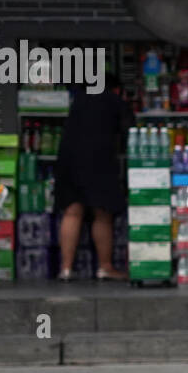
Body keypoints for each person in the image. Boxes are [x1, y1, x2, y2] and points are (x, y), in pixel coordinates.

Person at [54, 73, 134, 281]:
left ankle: (66, 268)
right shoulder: (114, 101)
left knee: (72, 211)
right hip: (99, 161)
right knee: (102, 214)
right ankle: (105, 267)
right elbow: (129, 131)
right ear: (115, 88)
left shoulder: (79, 99)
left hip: (68, 160)